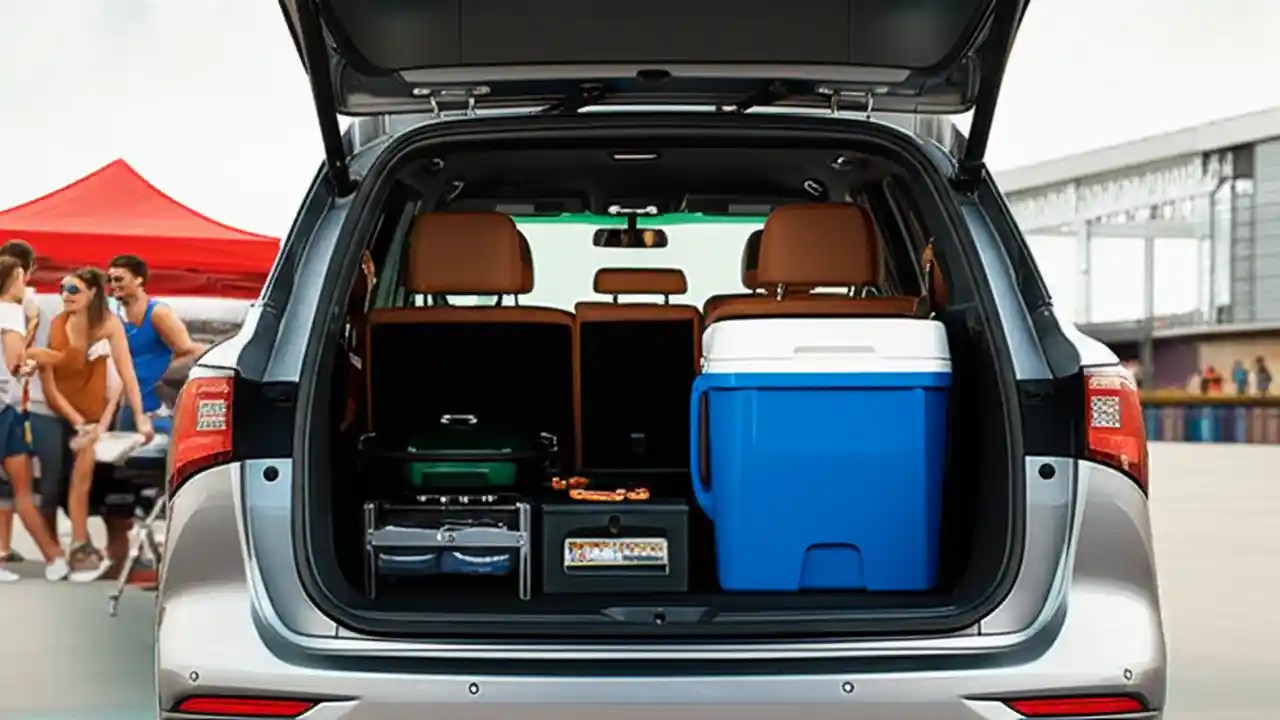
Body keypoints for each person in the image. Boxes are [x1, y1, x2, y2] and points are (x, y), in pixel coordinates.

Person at [26, 268, 154, 581]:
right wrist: (77, 421)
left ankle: (79, 547)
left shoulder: (109, 325)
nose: (65, 294)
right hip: (53, 408)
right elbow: (50, 385)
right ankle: (55, 551)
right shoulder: (56, 322)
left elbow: (125, 377)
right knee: (51, 483)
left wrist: (136, 417)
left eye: (73, 289)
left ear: (93, 293)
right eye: (62, 288)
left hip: (95, 412)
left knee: (81, 480)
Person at [0, 258, 69, 582]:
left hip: (7, 412)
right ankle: (55, 559)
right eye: (20, 278)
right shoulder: (9, 311)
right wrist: (38, 359)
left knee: (17, 488)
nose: (24, 283)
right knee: (23, 489)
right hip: (5, 412)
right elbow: (16, 362)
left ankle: (55, 557)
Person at [107, 255, 205, 433]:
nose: (113, 285)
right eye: (110, 280)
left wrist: (163, 377)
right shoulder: (115, 316)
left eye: (118, 279)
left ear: (138, 279)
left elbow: (191, 351)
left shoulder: (158, 313)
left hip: (157, 408)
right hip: (129, 404)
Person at [0, 239, 41, 566]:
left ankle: (2, 547)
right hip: (5, 403)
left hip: (10, 403)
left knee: (8, 481)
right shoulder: (13, 309)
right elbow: (17, 360)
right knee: (17, 480)